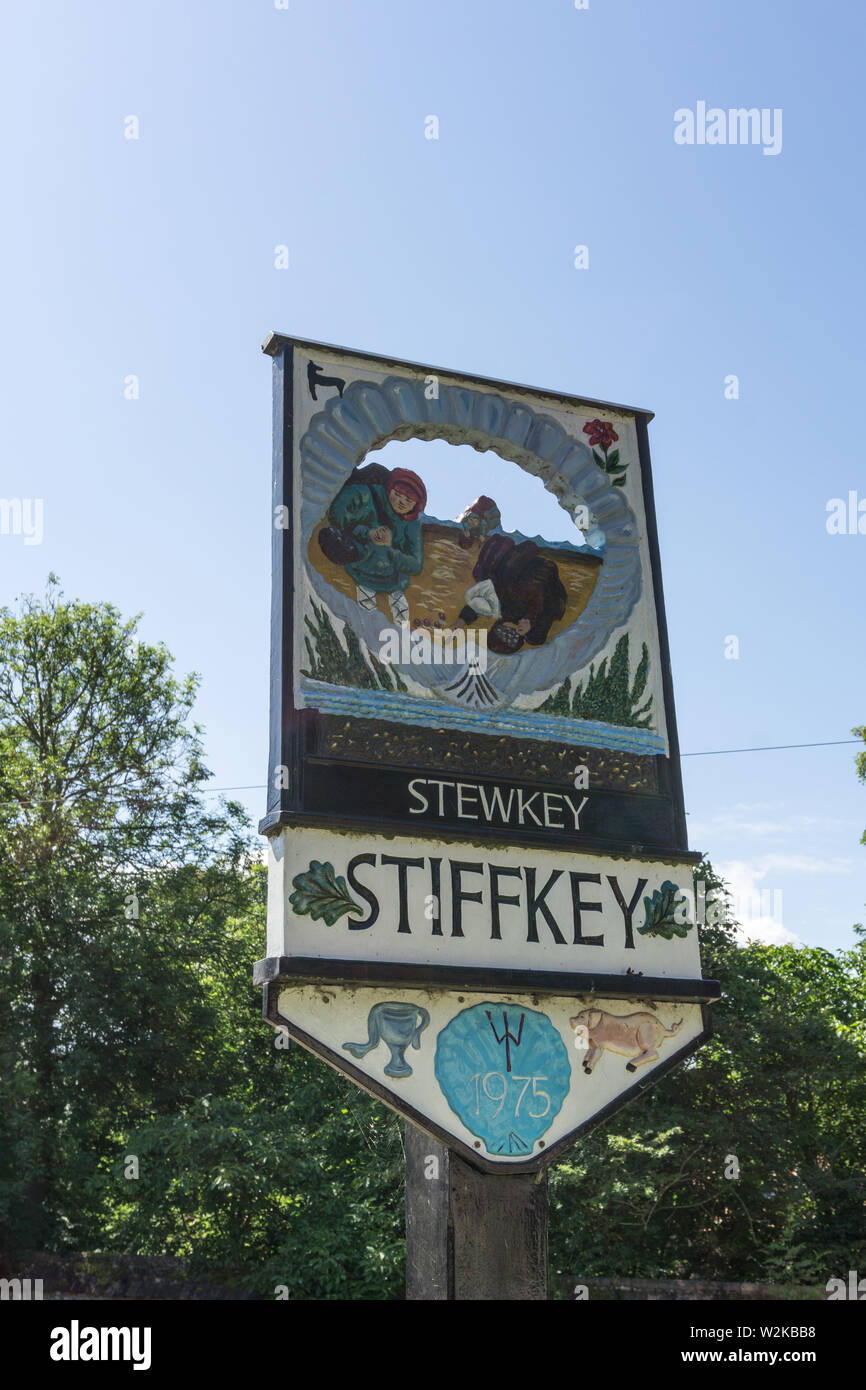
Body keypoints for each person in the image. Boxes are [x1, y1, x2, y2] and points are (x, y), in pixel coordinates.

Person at [326, 466, 427, 625]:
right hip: (361, 569)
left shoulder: (411, 525)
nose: (401, 502)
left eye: (408, 501)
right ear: (389, 490)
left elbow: (415, 564)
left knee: (401, 619)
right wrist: (368, 533)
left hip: (395, 581)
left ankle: (402, 639)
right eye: (398, 495)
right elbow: (338, 512)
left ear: (415, 505)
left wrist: (389, 550)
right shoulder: (368, 495)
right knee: (366, 617)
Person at [455, 533, 567, 655]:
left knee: (536, 637)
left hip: (546, 597)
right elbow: (482, 599)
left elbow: (537, 600)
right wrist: (462, 620)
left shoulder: (526, 584)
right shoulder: (493, 576)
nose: (508, 631)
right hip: (517, 593)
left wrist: (529, 620)